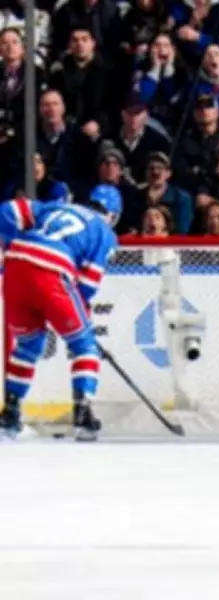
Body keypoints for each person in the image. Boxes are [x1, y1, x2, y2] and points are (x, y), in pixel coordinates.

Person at [0, 185, 120, 441]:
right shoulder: (105, 233)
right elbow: (87, 287)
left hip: (14, 265)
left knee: (28, 345)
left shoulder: (56, 206)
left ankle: (10, 413)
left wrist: (10, 243)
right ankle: (82, 413)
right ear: (113, 215)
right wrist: (78, 322)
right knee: (84, 345)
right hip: (52, 269)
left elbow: (8, 210)